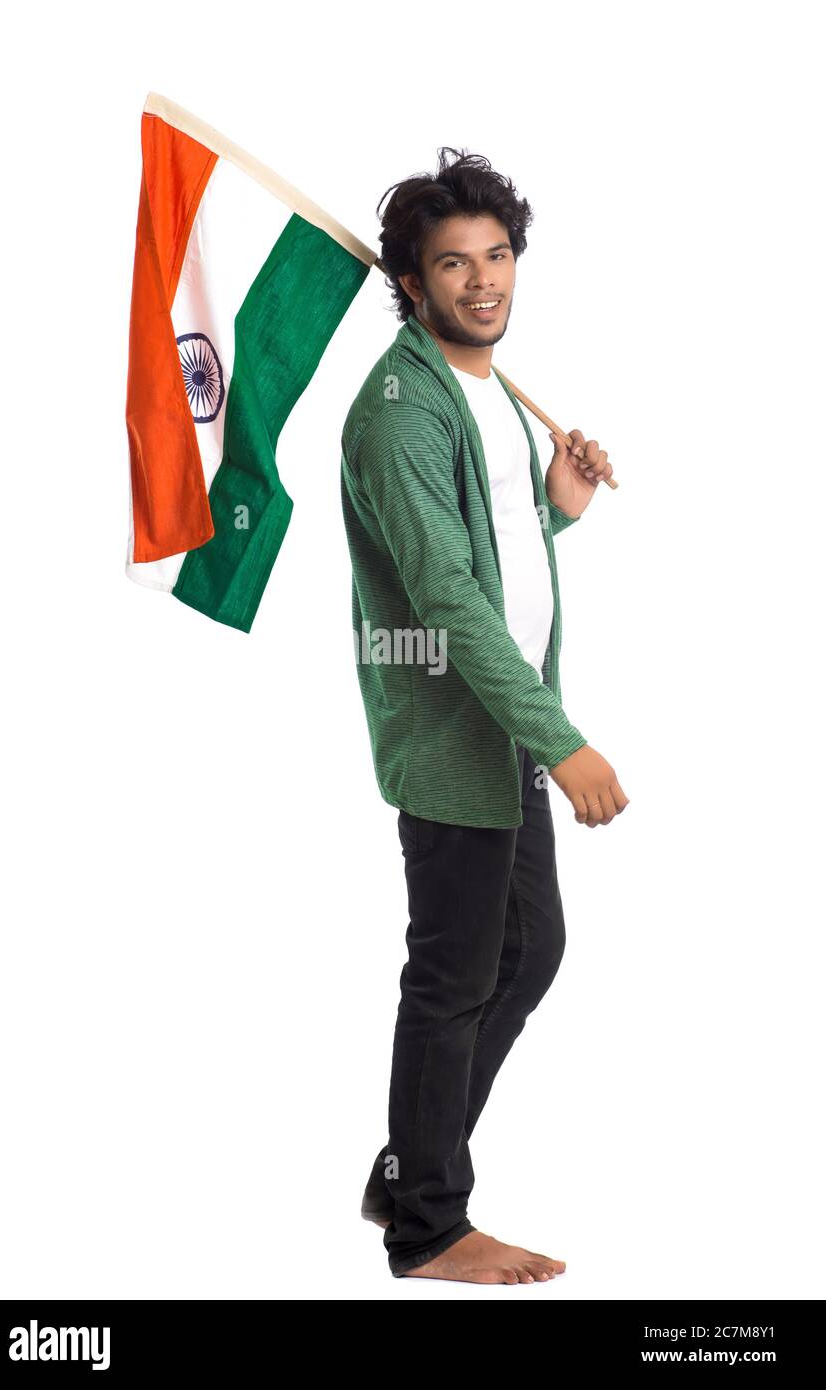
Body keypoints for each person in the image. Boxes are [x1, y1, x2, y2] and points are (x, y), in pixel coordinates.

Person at [339, 148, 629, 1283]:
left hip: (503, 720)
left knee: (529, 947)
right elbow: (447, 601)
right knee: (456, 972)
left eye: (496, 255)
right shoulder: (402, 410)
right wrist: (561, 738)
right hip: (460, 729)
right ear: (411, 282)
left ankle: (410, 1164)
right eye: (452, 264)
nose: (482, 281)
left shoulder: (491, 391)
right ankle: (429, 1225)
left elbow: (493, 554)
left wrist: (556, 509)